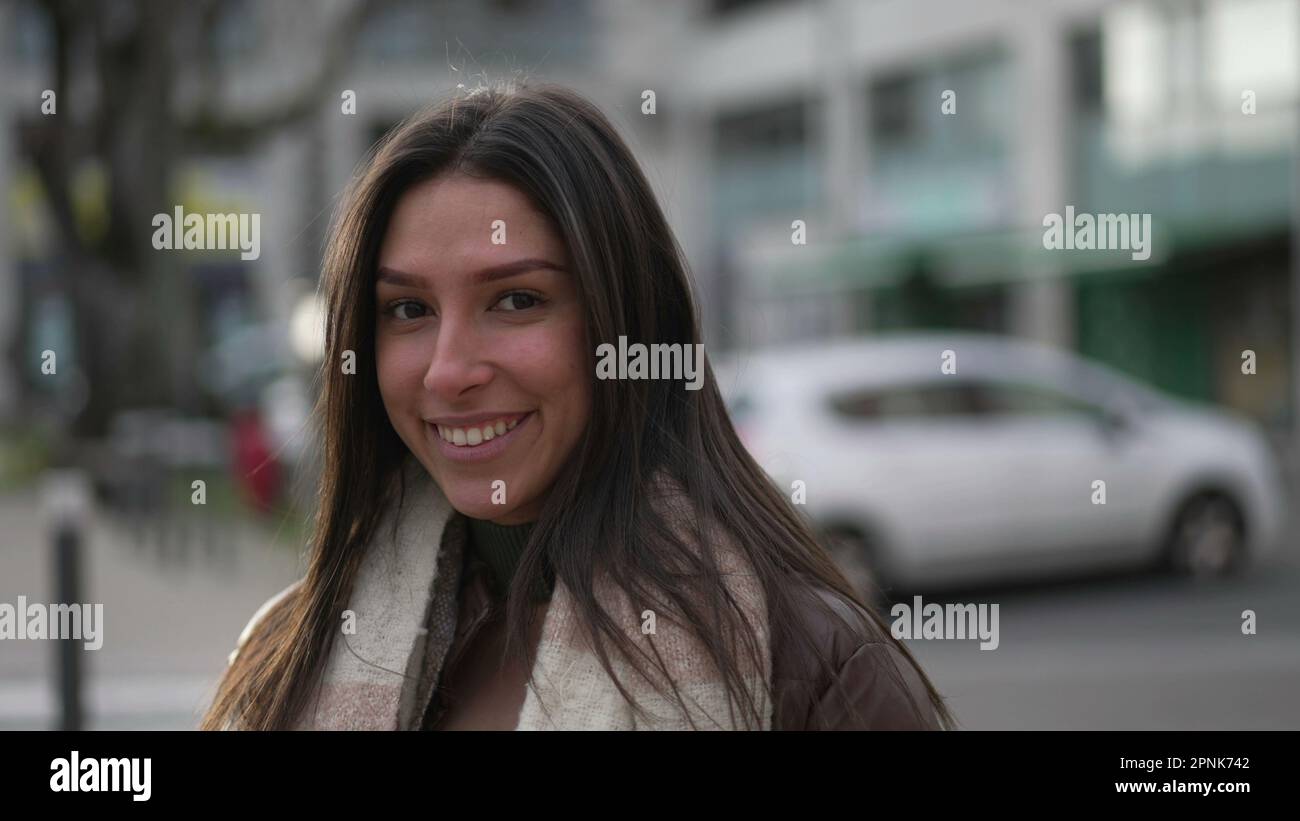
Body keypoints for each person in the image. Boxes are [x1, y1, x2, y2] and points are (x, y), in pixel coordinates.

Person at [202, 81, 954, 731]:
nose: (448, 370)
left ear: (627, 321)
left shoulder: (817, 668)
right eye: (407, 310)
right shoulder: (288, 651)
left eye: (517, 299)